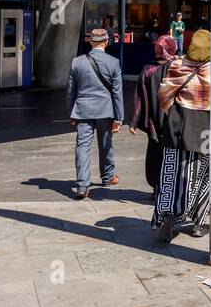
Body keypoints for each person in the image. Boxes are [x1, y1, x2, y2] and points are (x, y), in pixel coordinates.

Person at [153, 29, 211, 242]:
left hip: (178, 125)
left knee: (174, 171)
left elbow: (164, 95)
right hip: (206, 127)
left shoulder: (177, 65)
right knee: (205, 175)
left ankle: (169, 214)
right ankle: (199, 222)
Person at [66, 26, 124, 199]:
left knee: (82, 147)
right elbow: (117, 93)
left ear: (90, 42)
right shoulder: (113, 63)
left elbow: (70, 91)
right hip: (105, 111)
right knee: (106, 144)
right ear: (106, 42)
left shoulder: (77, 62)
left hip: (82, 111)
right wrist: (119, 117)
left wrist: (71, 112)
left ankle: (82, 186)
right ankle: (107, 177)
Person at [129, 34, 177, 195]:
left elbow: (140, 97)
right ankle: (168, 189)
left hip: (154, 122)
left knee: (154, 155)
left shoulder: (148, 70)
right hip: (174, 121)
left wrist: (134, 121)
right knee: (171, 155)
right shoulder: (178, 68)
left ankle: (157, 187)